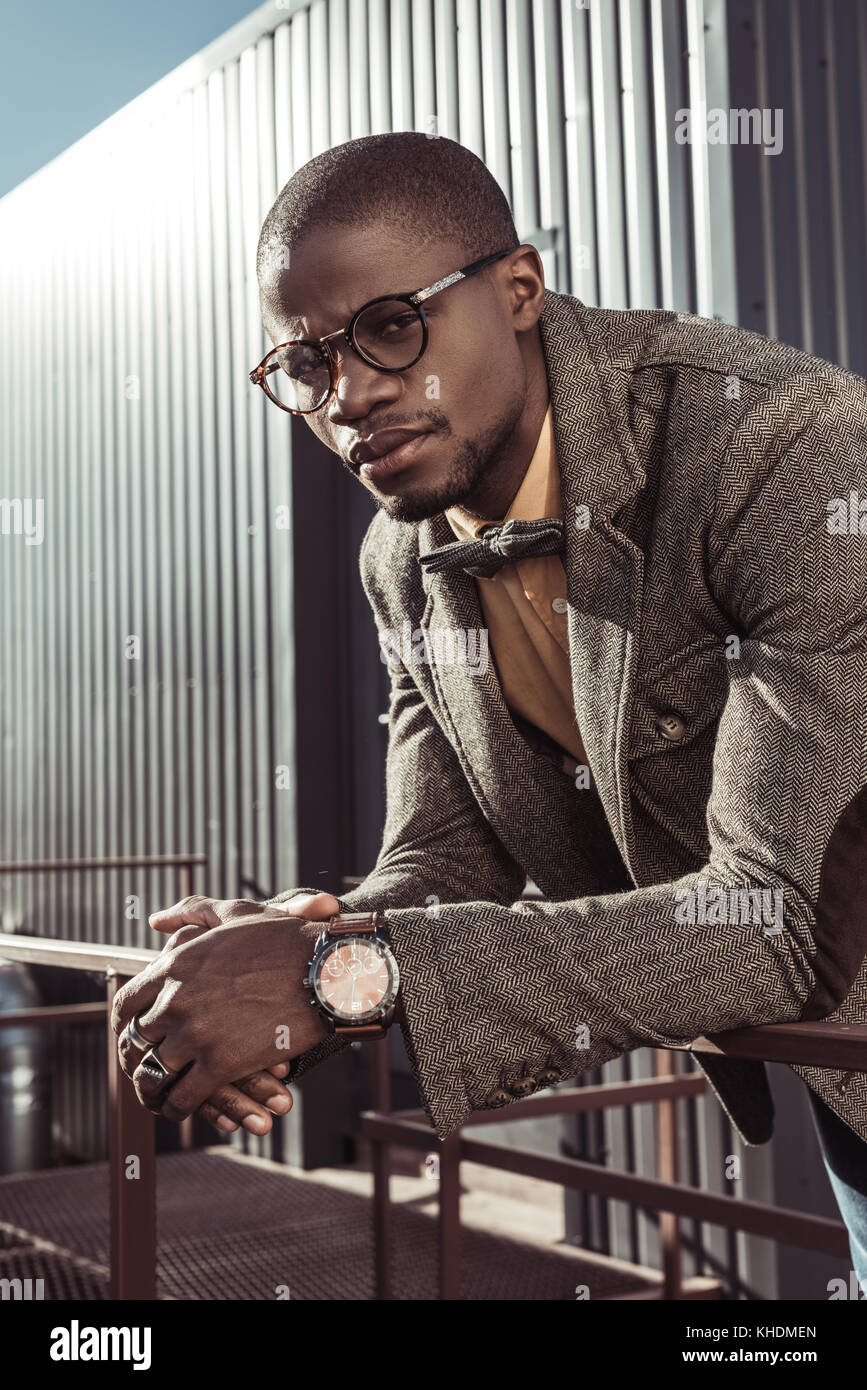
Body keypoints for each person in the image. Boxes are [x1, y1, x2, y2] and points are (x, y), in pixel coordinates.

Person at [112, 132, 867, 1285]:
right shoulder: (403, 560)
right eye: (305, 366)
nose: (350, 395)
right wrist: (309, 936)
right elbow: (441, 863)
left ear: (519, 290)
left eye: (389, 328)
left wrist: (337, 978)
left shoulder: (787, 451)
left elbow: (775, 917)